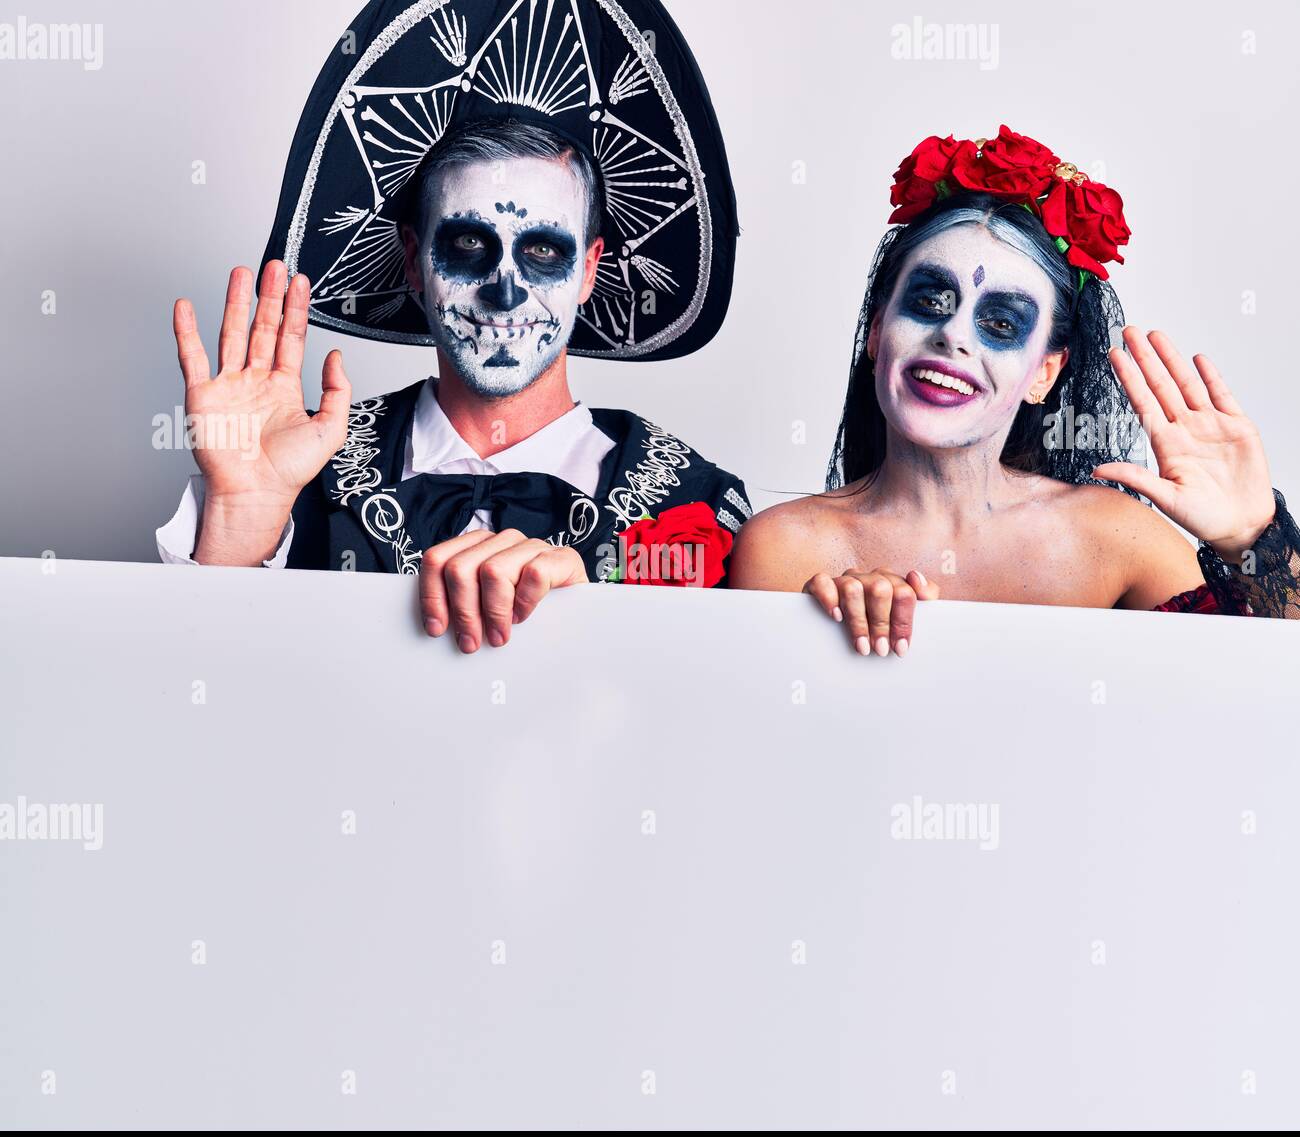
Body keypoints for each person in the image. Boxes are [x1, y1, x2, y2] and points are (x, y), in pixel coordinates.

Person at [158, 0, 751, 652]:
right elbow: (203, 684)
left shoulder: (695, 506)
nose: (504, 290)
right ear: (414, 260)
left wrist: (601, 618)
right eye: (469, 244)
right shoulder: (298, 477)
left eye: (543, 250)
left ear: (588, 271)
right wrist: (240, 516)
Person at [730, 126, 1299, 654]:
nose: (954, 336)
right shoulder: (786, 548)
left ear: (1044, 373)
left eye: (1002, 323)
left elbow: (1258, 695)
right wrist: (833, 641)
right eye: (929, 301)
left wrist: (1254, 540)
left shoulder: (1115, 537)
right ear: (877, 332)